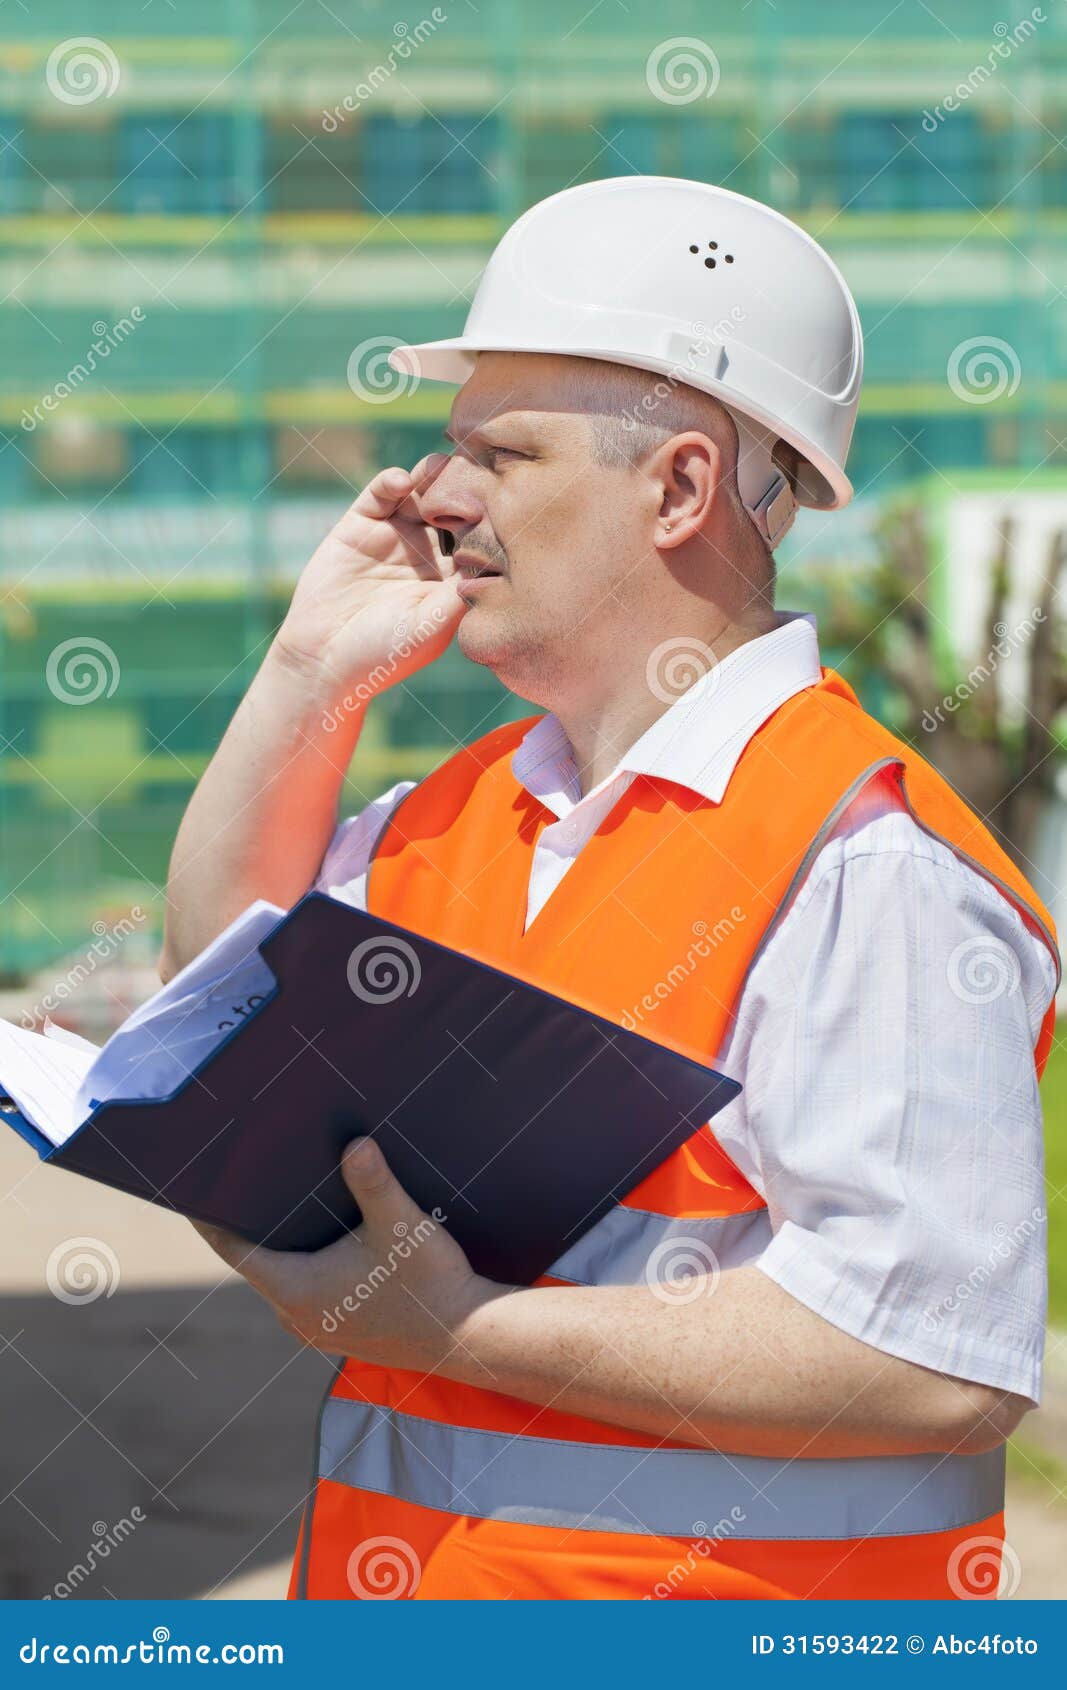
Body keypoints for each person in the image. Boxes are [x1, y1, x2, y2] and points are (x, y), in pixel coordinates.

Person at [163, 178, 1059, 1601]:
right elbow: (214, 995)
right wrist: (305, 676)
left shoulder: (864, 858)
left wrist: (459, 1331)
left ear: (681, 489)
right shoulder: (463, 812)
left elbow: (930, 1353)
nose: (434, 496)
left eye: (501, 453)